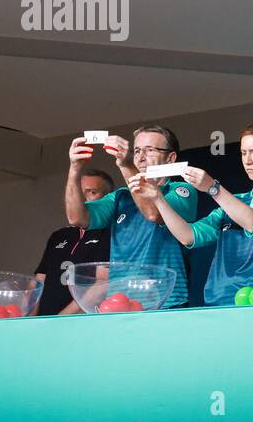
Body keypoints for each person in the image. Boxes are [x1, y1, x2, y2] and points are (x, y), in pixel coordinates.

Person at [131, 115, 253, 306]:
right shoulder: (235, 201)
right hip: (218, 302)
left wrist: (213, 188)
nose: (247, 161)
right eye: (243, 153)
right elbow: (189, 236)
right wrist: (158, 198)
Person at [66, 125, 196, 308]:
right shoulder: (120, 196)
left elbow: (153, 213)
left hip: (166, 300)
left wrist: (126, 165)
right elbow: (77, 218)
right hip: (121, 302)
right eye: (136, 151)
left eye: (150, 150)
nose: (140, 157)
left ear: (170, 158)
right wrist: (74, 168)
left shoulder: (182, 191)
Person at [32, 169, 113, 315]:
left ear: (107, 199)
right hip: (43, 323)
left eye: (91, 192)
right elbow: (39, 281)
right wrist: (28, 320)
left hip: (78, 324)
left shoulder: (111, 235)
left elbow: (102, 284)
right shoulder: (59, 235)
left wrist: (61, 319)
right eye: (79, 191)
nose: (82, 198)